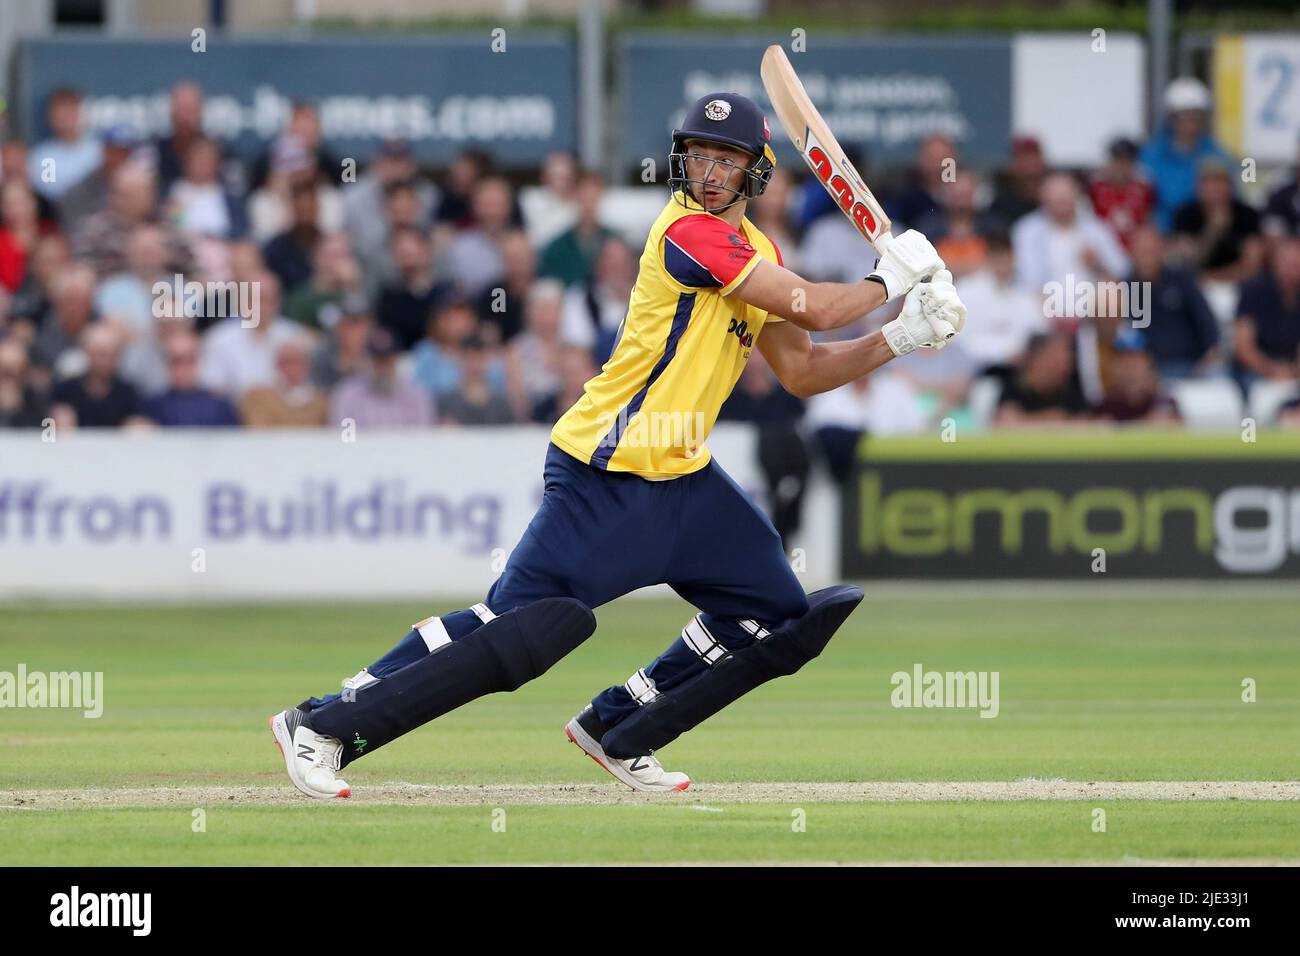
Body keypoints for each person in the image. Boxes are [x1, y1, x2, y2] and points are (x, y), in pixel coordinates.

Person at [269, 91, 966, 800]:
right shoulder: (688, 235)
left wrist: (900, 336)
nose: (711, 172)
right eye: (699, 156)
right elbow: (815, 305)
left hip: (687, 483)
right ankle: (323, 725)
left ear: (755, 172)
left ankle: (621, 727)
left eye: (727, 159)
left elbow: (805, 369)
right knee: (513, 634)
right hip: (606, 472)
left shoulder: (760, 252)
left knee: (775, 616)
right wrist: (889, 279)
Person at [1140, 77, 1235, 232]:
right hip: (1159, 235)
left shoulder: (1219, 155)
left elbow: (1231, 199)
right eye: (1184, 115)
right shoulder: (1150, 155)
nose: (1190, 122)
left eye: (1195, 115)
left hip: (1202, 235)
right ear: (1171, 117)